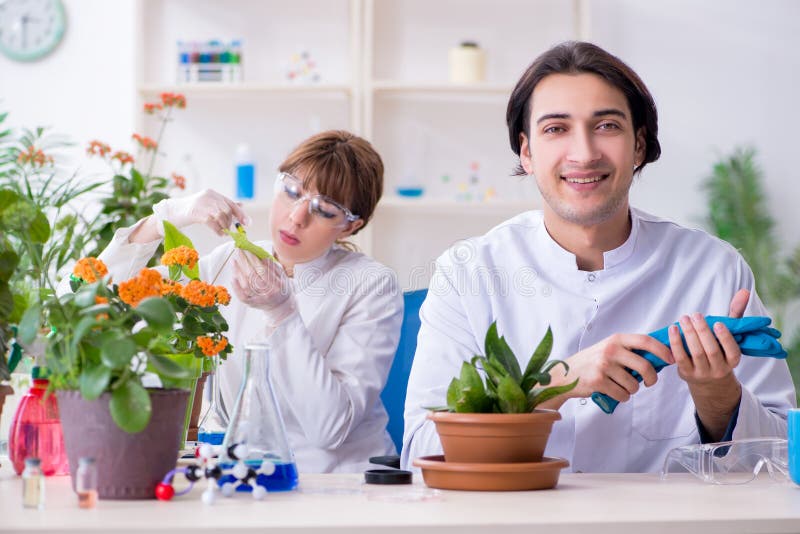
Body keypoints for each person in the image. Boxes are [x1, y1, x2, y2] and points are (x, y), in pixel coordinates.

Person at [401, 42, 796, 472]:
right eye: (556, 129)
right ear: (527, 152)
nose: (584, 153)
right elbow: (421, 452)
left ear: (639, 146)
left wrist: (719, 396)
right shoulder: (468, 272)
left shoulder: (713, 270)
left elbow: (778, 463)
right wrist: (554, 384)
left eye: (607, 125)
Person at [98, 130, 403, 473]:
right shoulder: (231, 260)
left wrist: (282, 313)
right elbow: (98, 298)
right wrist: (166, 217)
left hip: (339, 483)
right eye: (291, 192)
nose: (297, 217)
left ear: (349, 227)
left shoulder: (371, 285)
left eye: (324, 210)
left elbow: (329, 428)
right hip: (247, 475)